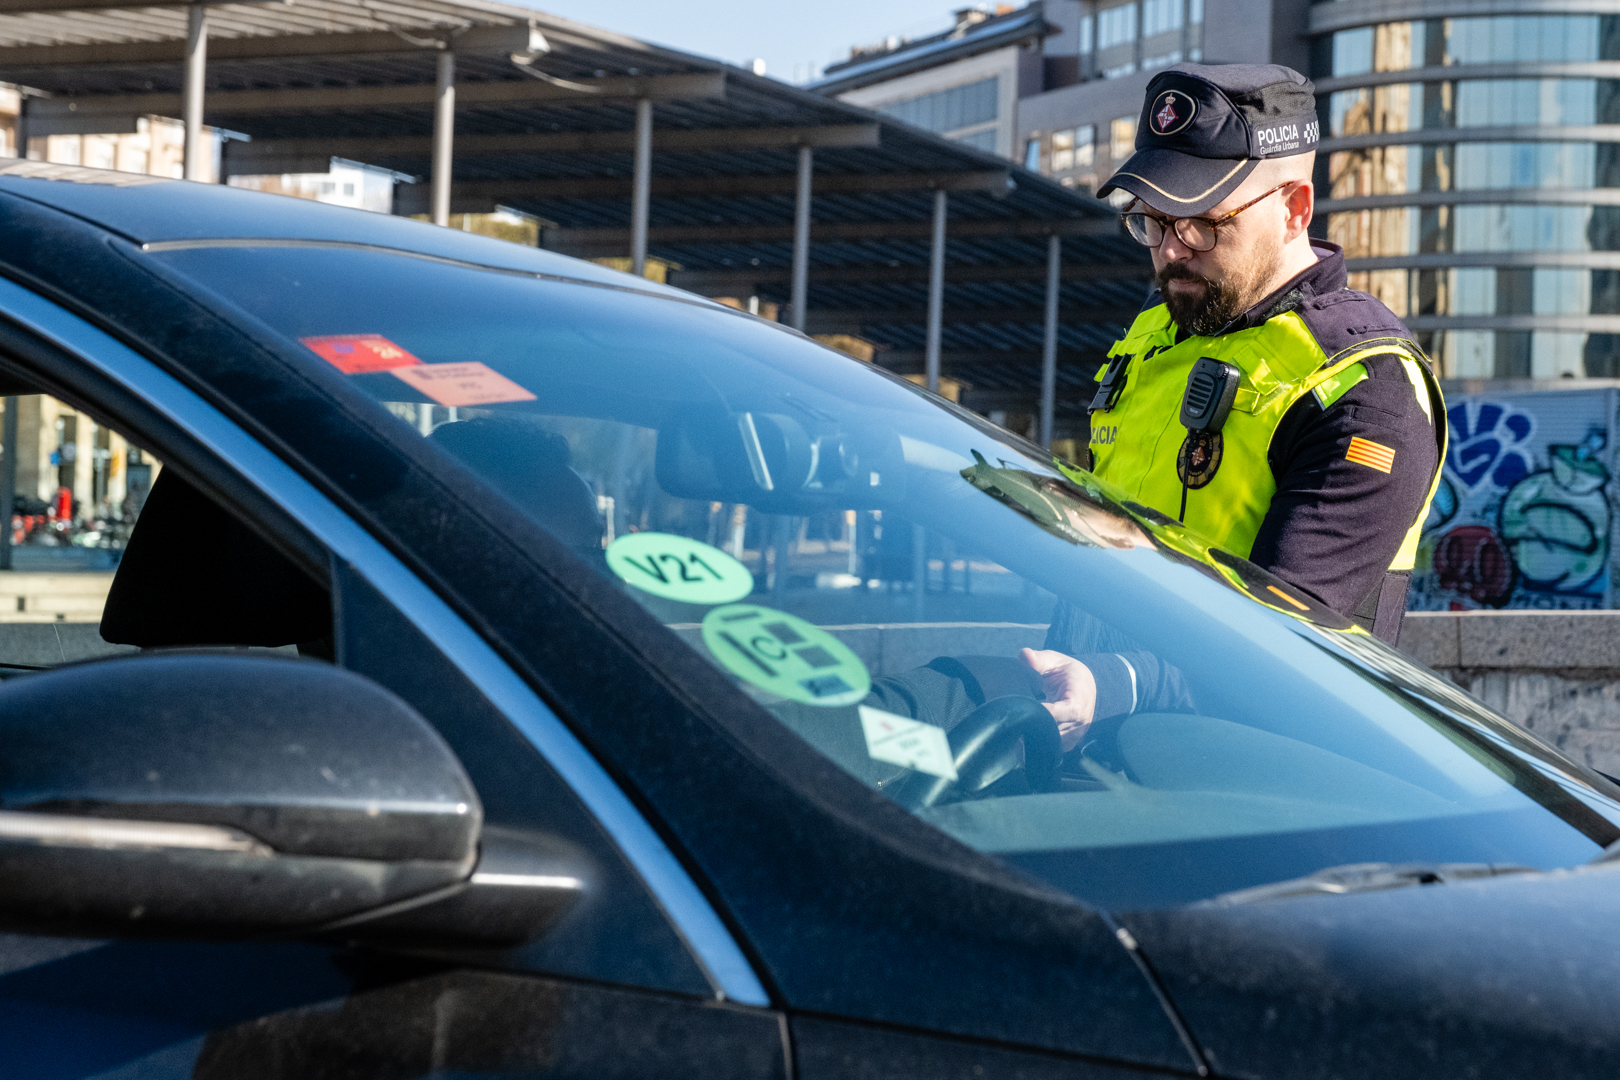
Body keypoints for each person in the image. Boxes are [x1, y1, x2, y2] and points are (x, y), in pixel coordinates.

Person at [1082, 62, 1445, 647]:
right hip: (1082, 703)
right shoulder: (1159, 325)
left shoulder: (1365, 387)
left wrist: (1116, 684)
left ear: (1294, 210)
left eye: (1202, 223)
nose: (1171, 251)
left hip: (1235, 733)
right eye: (1153, 220)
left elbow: (1280, 648)